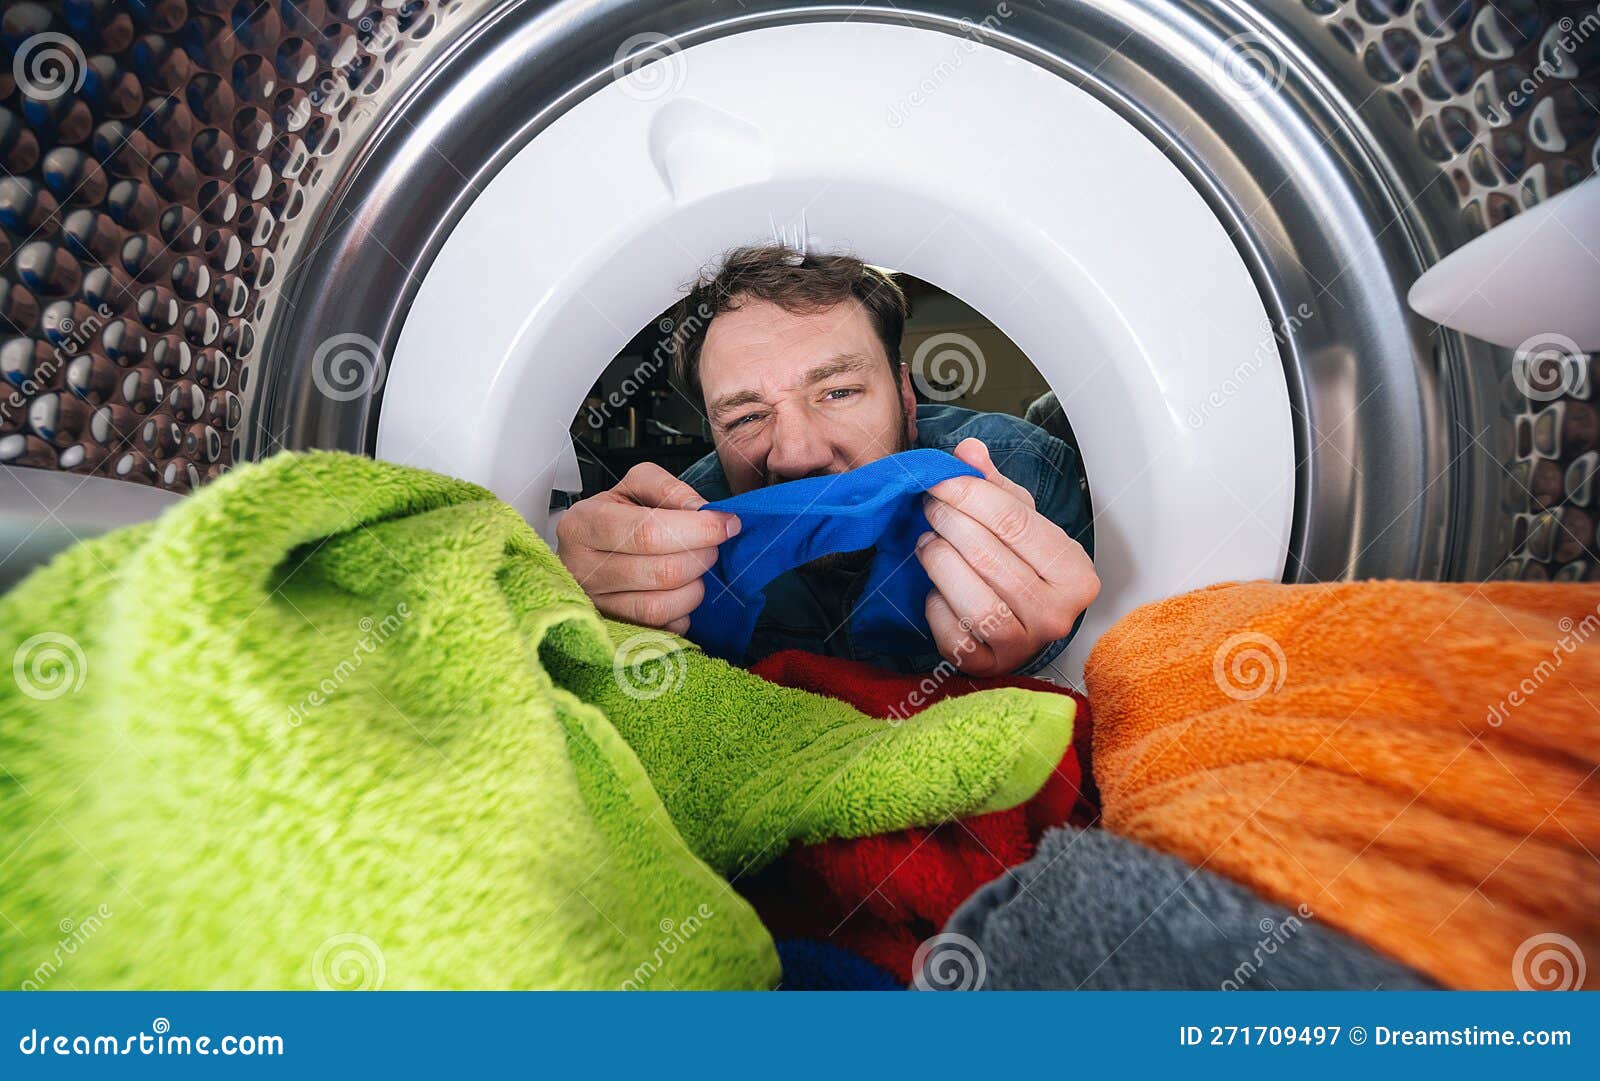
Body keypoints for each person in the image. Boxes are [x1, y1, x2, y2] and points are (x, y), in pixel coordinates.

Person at [556, 245, 1098, 677]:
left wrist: (1035, 651)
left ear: (907, 398)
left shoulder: (1021, 468)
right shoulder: (678, 525)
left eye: (838, 392)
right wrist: (579, 610)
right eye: (745, 417)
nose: (796, 457)